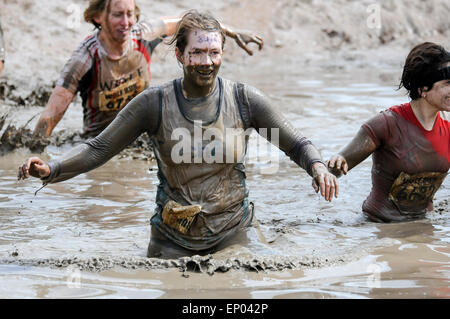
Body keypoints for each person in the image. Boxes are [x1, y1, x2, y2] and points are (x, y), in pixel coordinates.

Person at [18, 10, 338, 258]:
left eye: (214, 52)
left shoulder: (244, 100)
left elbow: (296, 143)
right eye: (197, 52)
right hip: (171, 240)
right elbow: (99, 148)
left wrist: (317, 166)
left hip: (234, 232)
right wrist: (53, 169)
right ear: (180, 55)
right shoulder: (153, 104)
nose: (206, 62)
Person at [32, 0, 263, 138]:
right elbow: (51, 115)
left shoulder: (142, 35)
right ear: (98, 17)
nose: (126, 22)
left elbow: (190, 21)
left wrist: (232, 32)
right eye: (117, 15)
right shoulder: (85, 58)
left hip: (143, 134)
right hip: (102, 141)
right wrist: (35, 151)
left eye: (130, 14)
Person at [327, 42, 450, 223]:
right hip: (378, 227)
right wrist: (330, 169)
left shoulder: (447, 129)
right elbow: (338, 165)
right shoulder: (387, 124)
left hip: (422, 226)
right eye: (448, 83)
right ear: (423, 88)